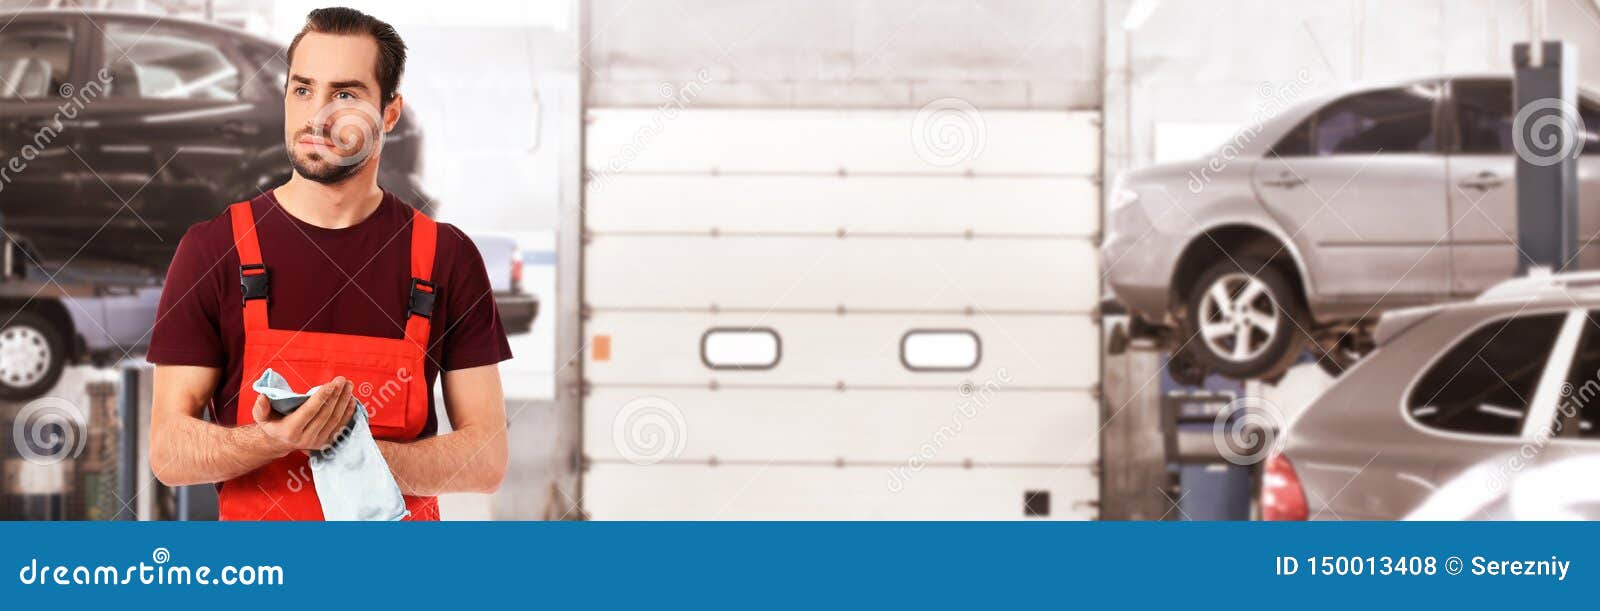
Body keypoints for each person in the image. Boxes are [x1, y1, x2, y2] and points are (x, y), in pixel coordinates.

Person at [147, 7, 510, 520]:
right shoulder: (216, 250)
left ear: (388, 113)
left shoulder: (445, 258)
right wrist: (274, 440)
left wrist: (348, 454)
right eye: (302, 89)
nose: (317, 115)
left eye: (344, 94)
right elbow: (170, 451)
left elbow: (486, 460)